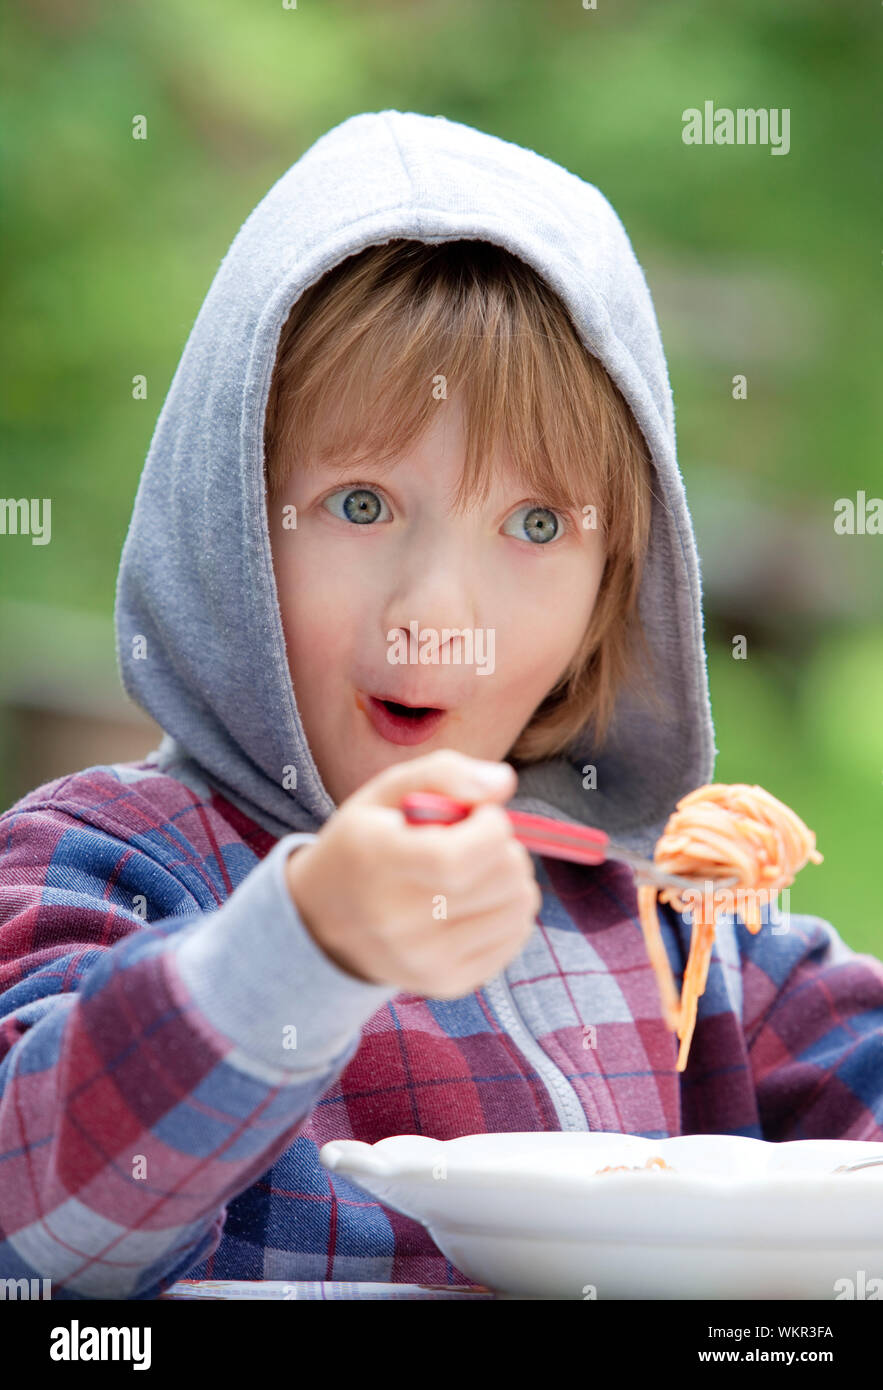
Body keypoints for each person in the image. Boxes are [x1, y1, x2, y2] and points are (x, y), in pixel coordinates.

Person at [1, 111, 880, 1300]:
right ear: (228, 526)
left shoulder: (678, 923)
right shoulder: (107, 864)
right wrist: (306, 947)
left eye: (533, 526)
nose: (437, 613)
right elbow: (39, 1224)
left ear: (613, 588)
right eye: (360, 506)